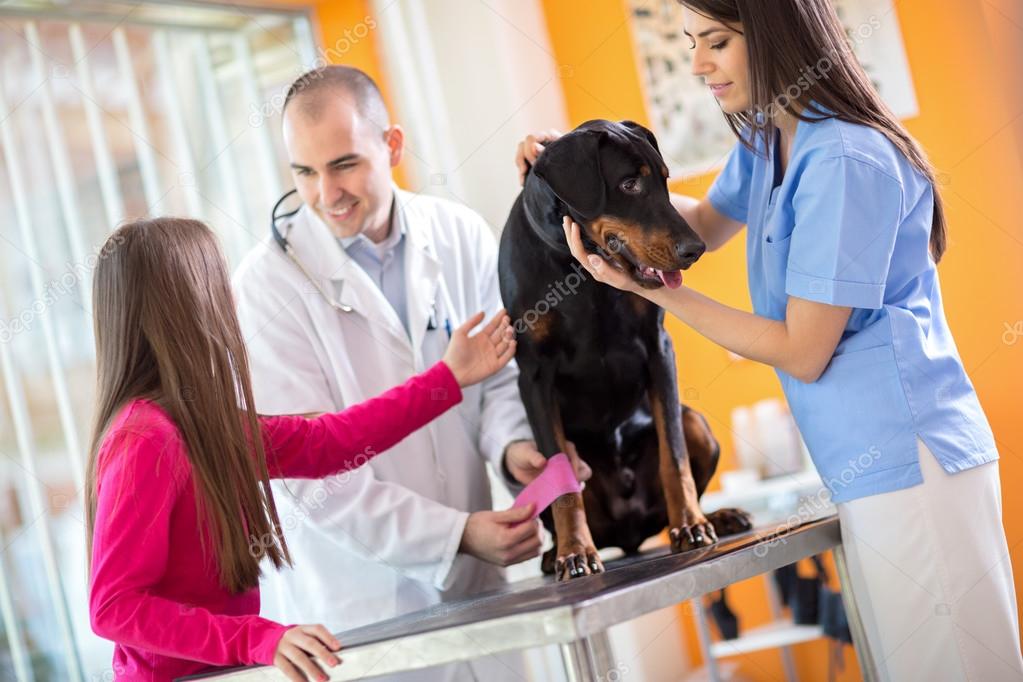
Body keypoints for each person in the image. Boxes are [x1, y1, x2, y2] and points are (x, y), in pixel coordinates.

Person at [518, 1, 1023, 679]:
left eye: (717, 42)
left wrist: (647, 288)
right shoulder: (771, 140)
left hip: (913, 465)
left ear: (775, 35)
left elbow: (801, 348)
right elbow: (695, 220)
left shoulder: (844, 157)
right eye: (691, 42)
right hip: (867, 467)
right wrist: (566, 163)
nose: (698, 64)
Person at [234, 65, 589, 681]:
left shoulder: (460, 235)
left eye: (344, 164)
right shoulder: (263, 288)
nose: (326, 193)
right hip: (361, 613)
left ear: (392, 146)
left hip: (482, 598)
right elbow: (309, 476)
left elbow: (503, 376)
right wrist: (455, 535)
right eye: (304, 172)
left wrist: (512, 450)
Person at [86, 217, 517, 682]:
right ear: (185, 304)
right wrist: (257, 638)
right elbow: (113, 606)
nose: (231, 296)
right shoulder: (145, 439)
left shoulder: (202, 425)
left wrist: (447, 380)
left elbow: (331, 443)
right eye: (216, 280)